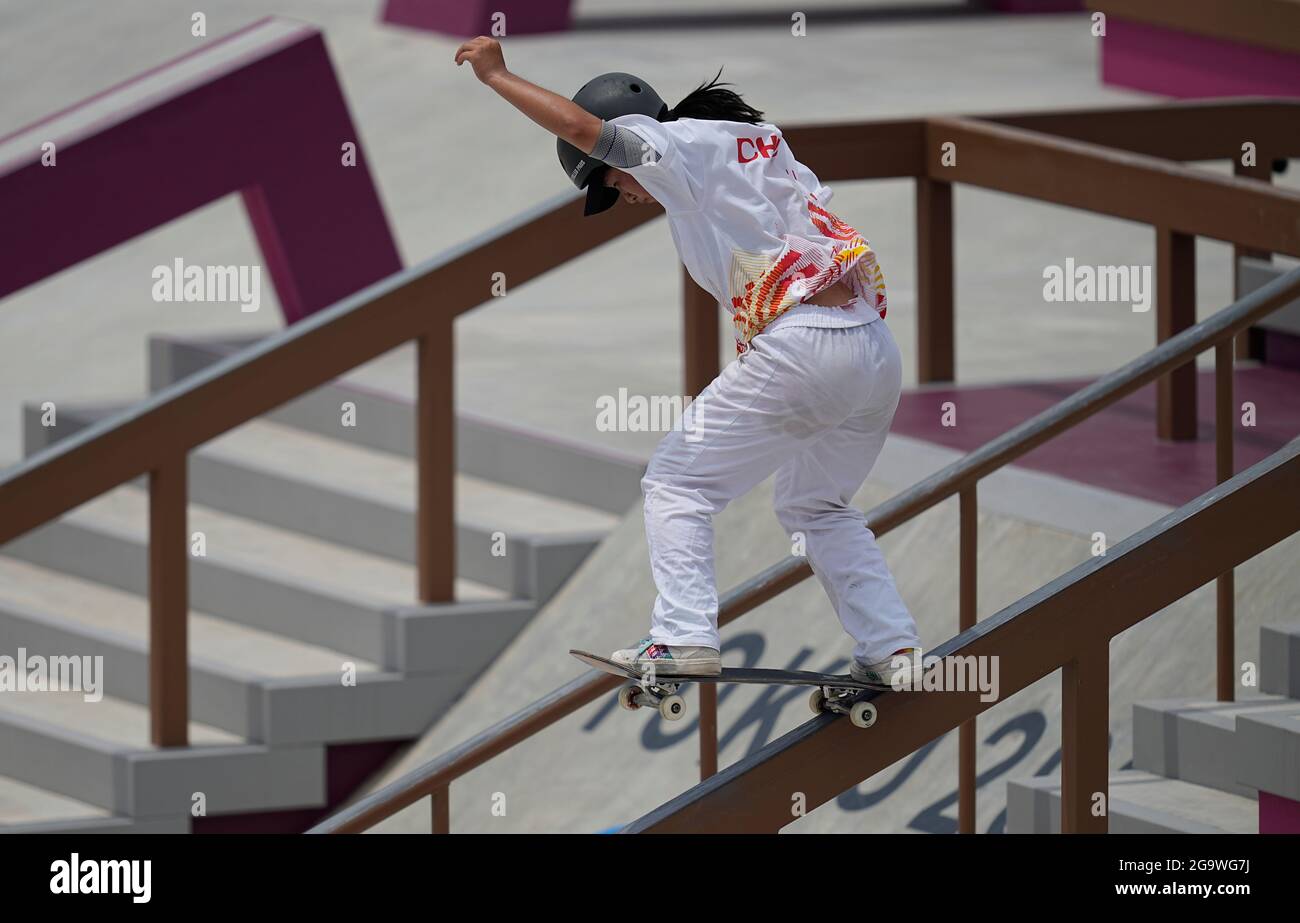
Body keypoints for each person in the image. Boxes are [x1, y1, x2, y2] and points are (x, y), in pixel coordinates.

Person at [455, 37, 921, 687]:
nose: (623, 192)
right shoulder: (754, 143)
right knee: (817, 506)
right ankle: (893, 650)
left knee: (676, 483)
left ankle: (681, 637)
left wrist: (497, 76)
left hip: (804, 346)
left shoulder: (672, 147)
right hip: (871, 347)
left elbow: (581, 127)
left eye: (610, 178)